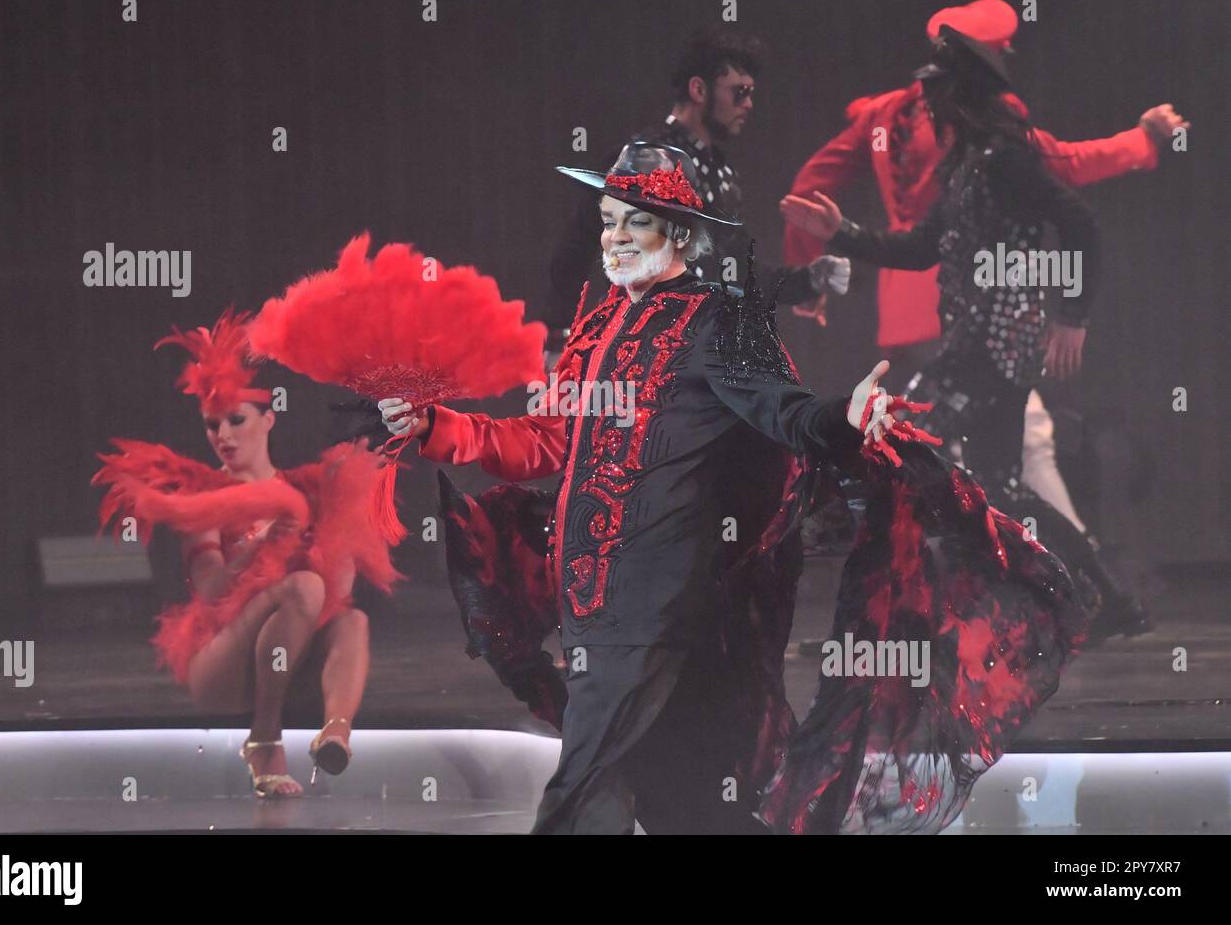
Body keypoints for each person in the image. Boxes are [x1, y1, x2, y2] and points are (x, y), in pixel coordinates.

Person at [379, 142, 1088, 834]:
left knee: (584, 789)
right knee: (684, 794)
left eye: (636, 221)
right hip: (597, 602)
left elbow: (782, 409)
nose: (616, 237)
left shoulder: (716, 319)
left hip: (654, 601)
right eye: (608, 220)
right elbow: (548, 441)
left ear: (679, 234)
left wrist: (842, 414)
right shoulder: (597, 329)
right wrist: (438, 426)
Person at [782, 0, 1184, 639]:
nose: (927, 106)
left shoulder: (1005, 157)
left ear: (960, 98)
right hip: (977, 338)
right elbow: (919, 249)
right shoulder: (967, 167)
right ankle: (1101, 597)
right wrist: (842, 232)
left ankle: (934, 604)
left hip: (995, 343)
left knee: (900, 438)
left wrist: (1071, 317)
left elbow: (1082, 222)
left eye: (938, 95)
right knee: (998, 478)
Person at [93, 311, 398, 797]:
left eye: (236, 420)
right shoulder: (204, 494)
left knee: (352, 619)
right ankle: (263, 737)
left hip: (288, 659)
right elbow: (212, 592)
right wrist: (269, 539)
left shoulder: (305, 491)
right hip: (222, 663)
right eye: (213, 425)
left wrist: (338, 524)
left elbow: (336, 596)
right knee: (304, 584)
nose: (224, 437)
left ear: (269, 418)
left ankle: (337, 729)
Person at [546, 27, 842, 363]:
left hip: (701, 355)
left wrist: (806, 281)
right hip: (640, 354)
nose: (748, 104)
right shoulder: (642, 159)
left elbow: (737, 268)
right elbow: (576, 248)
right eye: (739, 92)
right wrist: (560, 338)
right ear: (699, 89)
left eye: (750, 93)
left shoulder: (721, 174)